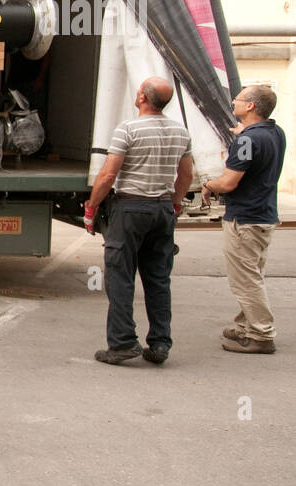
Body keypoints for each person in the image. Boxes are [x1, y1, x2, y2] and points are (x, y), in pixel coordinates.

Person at [85, 77, 194, 366]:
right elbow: (186, 175)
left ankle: (122, 343)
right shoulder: (180, 131)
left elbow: (108, 175)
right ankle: (159, 344)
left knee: (120, 276)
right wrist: (175, 202)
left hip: (131, 209)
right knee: (158, 278)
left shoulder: (128, 129)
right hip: (162, 210)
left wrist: (92, 205)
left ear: (143, 98)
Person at [202, 85, 285, 354]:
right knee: (252, 274)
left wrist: (208, 184)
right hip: (263, 215)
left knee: (246, 280)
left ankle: (261, 334)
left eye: (238, 99)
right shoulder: (274, 133)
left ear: (250, 106)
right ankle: (245, 326)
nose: (233, 102)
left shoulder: (247, 140)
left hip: (245, 219)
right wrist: (242, 137)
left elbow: (228, 183)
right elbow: (254, 150)